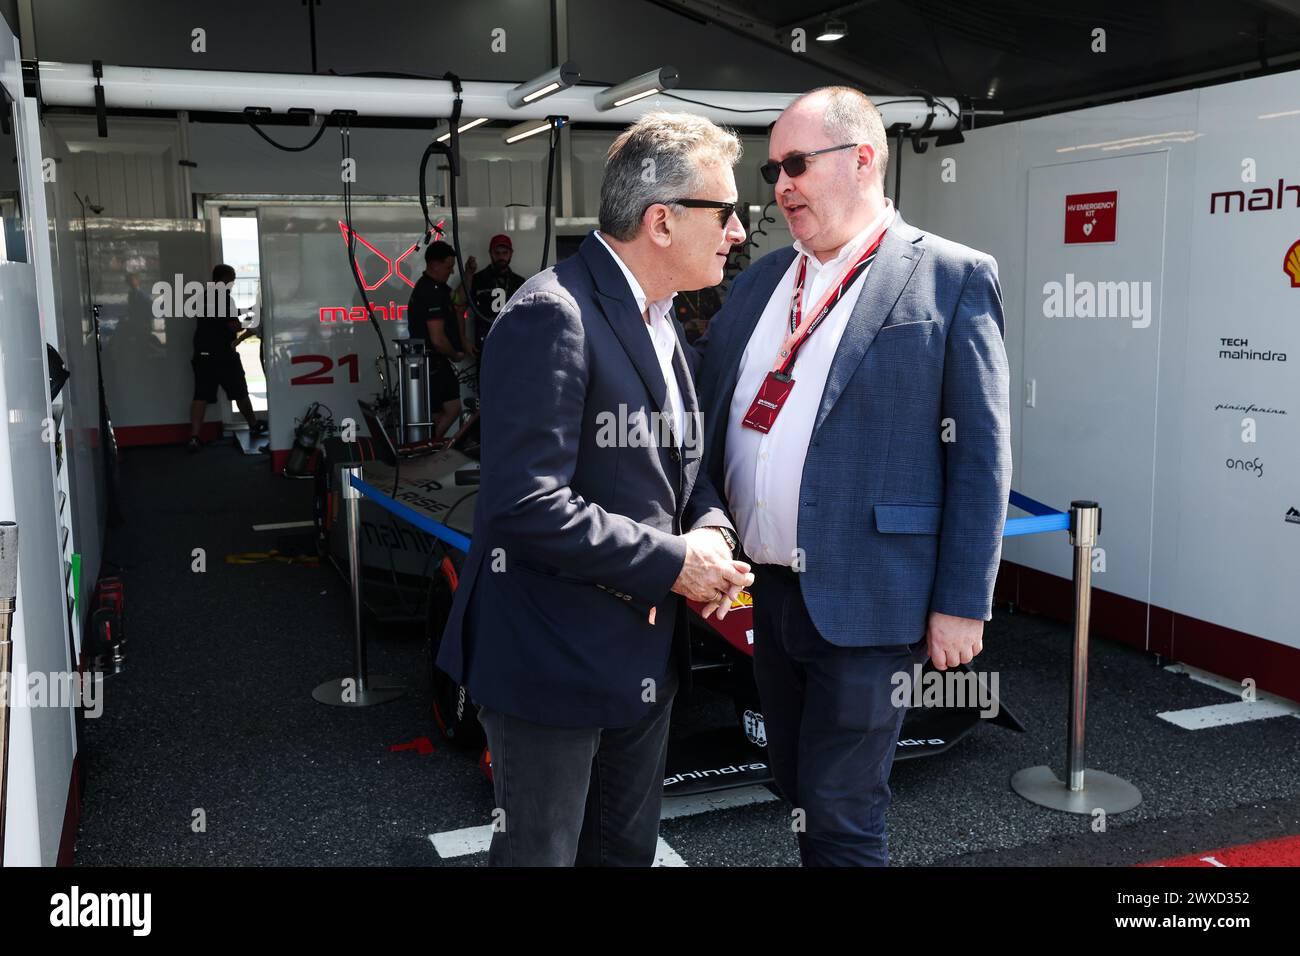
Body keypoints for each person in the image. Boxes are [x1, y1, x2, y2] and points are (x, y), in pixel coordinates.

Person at [695, 86, 1012, 866]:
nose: (781, 187)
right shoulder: (761, 283)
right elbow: (704, 424)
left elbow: (980, 453)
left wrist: (962, 603)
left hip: (876, 601)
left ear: (863, 158)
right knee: (798, 788)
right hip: (767, 595)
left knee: (843, 812)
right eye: (775, 170)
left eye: (796, 164)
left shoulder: (952, 276)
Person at [436, 112, 753, 867]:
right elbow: (525, 505)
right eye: (727, 211)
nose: (739, 231)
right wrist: (674, 563)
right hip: (553, 660)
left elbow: (686, 471)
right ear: (662, 221)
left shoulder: (661, 318)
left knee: (622, 854)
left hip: (642, 658)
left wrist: (709, 529)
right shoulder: (553, 314)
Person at [188, 264, 263, 452]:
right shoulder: (224, 297)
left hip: (202, 353)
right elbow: (232, 326)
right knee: (240, 391)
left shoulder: (203, 296)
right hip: (223, 354)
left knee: (200, 396)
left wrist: (244, 311)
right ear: (225, 278)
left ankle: (194, 437)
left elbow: (218, 319)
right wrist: (249, 326)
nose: (234, 281)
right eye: (233, 277)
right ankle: (254, 426)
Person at [406, 241, 465, 438]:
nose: (452, 271)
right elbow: (438, 339)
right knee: (451, 408)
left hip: (431, 362)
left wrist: (470, 275)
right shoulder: (430, 292)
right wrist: (455, 354)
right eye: (449, 267)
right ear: (434, 265)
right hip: (432, 362)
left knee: (443, 410)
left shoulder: (438, 287)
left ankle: (428, 448)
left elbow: (459, 300)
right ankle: (428, 450)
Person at [461, 233, 525, 351]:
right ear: (490, 253)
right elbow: (460, 305)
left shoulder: (520, 282)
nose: (501, 257)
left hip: (513, 344)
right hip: (485, 344)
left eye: (505, 253)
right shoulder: (477, 279)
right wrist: (468, 274)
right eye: (497, 253)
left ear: (511, 253)